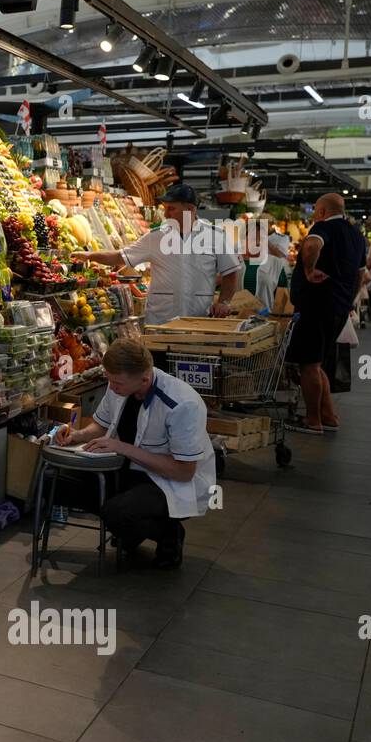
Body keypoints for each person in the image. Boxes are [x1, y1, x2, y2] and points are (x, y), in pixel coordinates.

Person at [53, 339, 216, 569]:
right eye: (109, 380)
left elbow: (184, 471)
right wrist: (76, 435)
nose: (112, 387)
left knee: (117, 512)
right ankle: (126, 526)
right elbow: (101, 424)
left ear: (144, 379)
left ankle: (168, 533)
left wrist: (124, 448)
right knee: (57, 481)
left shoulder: (182, 404)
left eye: (117, 382)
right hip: (126, 468)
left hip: (168, 482)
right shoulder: (119, 385)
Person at [75, 183, 240, 325]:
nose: (166, 215)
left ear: (190, 209)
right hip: (160, 323)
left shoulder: (215, 236)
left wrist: (224, 301)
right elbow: (120, 256)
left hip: (199, 322)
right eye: (165, 209)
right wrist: (90, 255)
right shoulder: (156, 237)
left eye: (171, 209)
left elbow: (231, 272)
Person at [286, 192, 366, 435]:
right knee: (317, 362)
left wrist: (309, 271)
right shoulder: (356, 235)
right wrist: (348, 300)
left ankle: (313, 421)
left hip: (316, 305)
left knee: (308, 365)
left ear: (321, 212)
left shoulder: (323, 227)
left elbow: (311, 245)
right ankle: (329, 416)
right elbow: (361, 274)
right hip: (338, 308)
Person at [239, 220, 291, 312]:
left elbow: (282, 298)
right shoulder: (233, 261)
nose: (258, 242)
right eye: (254, 239)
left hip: (265, 322)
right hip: (233, 321)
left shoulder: (276, 263)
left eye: (262, 239)